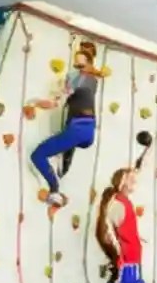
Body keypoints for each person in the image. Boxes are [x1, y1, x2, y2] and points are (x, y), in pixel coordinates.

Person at [29, 41, 107, 207]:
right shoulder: (85, 81)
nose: (77, 67)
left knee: (38, 155)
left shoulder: (85, 78)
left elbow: (90, 73)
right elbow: (55, 102)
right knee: (64, 143)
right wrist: (36, 102)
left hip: (80, 127)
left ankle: (54, 187)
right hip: (86, 130)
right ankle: (62, 166)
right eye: (76, 63)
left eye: (80, 63)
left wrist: (84, 68)